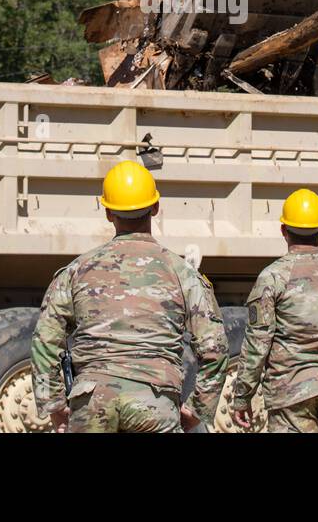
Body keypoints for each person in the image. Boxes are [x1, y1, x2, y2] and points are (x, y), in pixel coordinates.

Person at [31, 160, 229, 432]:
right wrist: (195, 410)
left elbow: (45, 343)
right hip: (156, 403)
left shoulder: (77, 271)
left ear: (108, 212)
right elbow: (214, 350)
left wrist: (54, 406)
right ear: (156, 208)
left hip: (92, 401)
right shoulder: (182, 273)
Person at [229, 188, 318, 432]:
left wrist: (243, 395)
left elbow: (257, 344)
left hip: (289, 391)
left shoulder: (272, 278)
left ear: (284, 230)